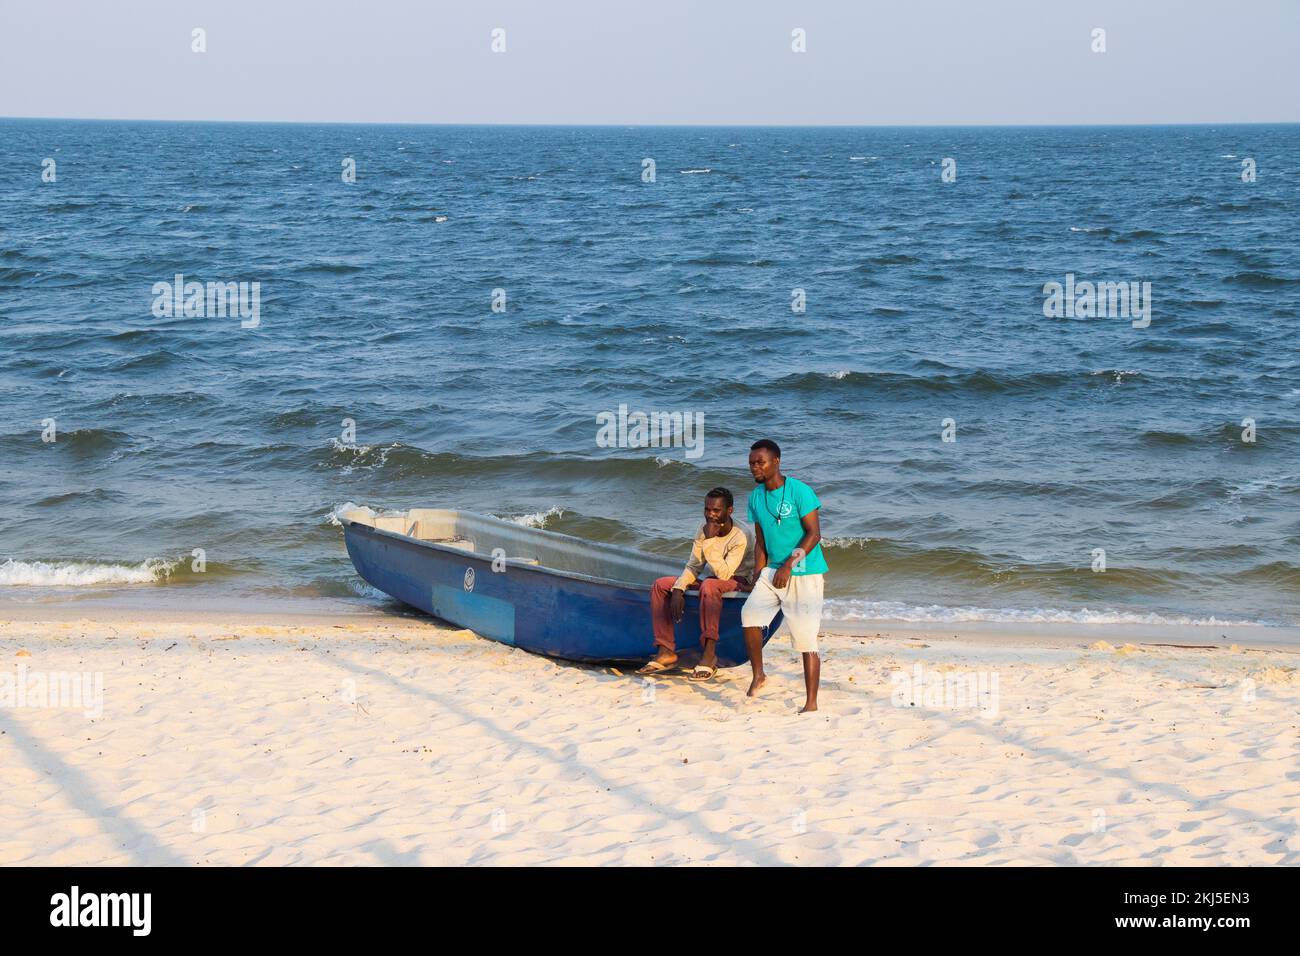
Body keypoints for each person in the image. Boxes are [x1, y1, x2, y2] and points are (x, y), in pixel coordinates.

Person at [739, 439, 828, 712]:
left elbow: (814, 533)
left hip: (804, 572)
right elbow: (761, 540)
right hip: (772, 571)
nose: (755, 467)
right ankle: (759, 674)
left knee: (806, 639)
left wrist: (788, 564)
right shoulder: (756, 496)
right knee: (749, 616)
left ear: (776, 462)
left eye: (760, 462)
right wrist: (758, 571)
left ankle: (810, 702)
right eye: (752, 462)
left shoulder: (800, 491)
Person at [638, 487, 753, 680]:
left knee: (710, 585)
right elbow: (694, 565)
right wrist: (678, 589)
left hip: (738, 581)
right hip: (712, 580)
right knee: (661, 585)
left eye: (716, 510)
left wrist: (709, 540)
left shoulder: (741, 535)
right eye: (707, 509)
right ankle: (665, 650)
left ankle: (709, 655)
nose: (710, 515)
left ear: (729, 510)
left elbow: (725, 574)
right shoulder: (703, 528)